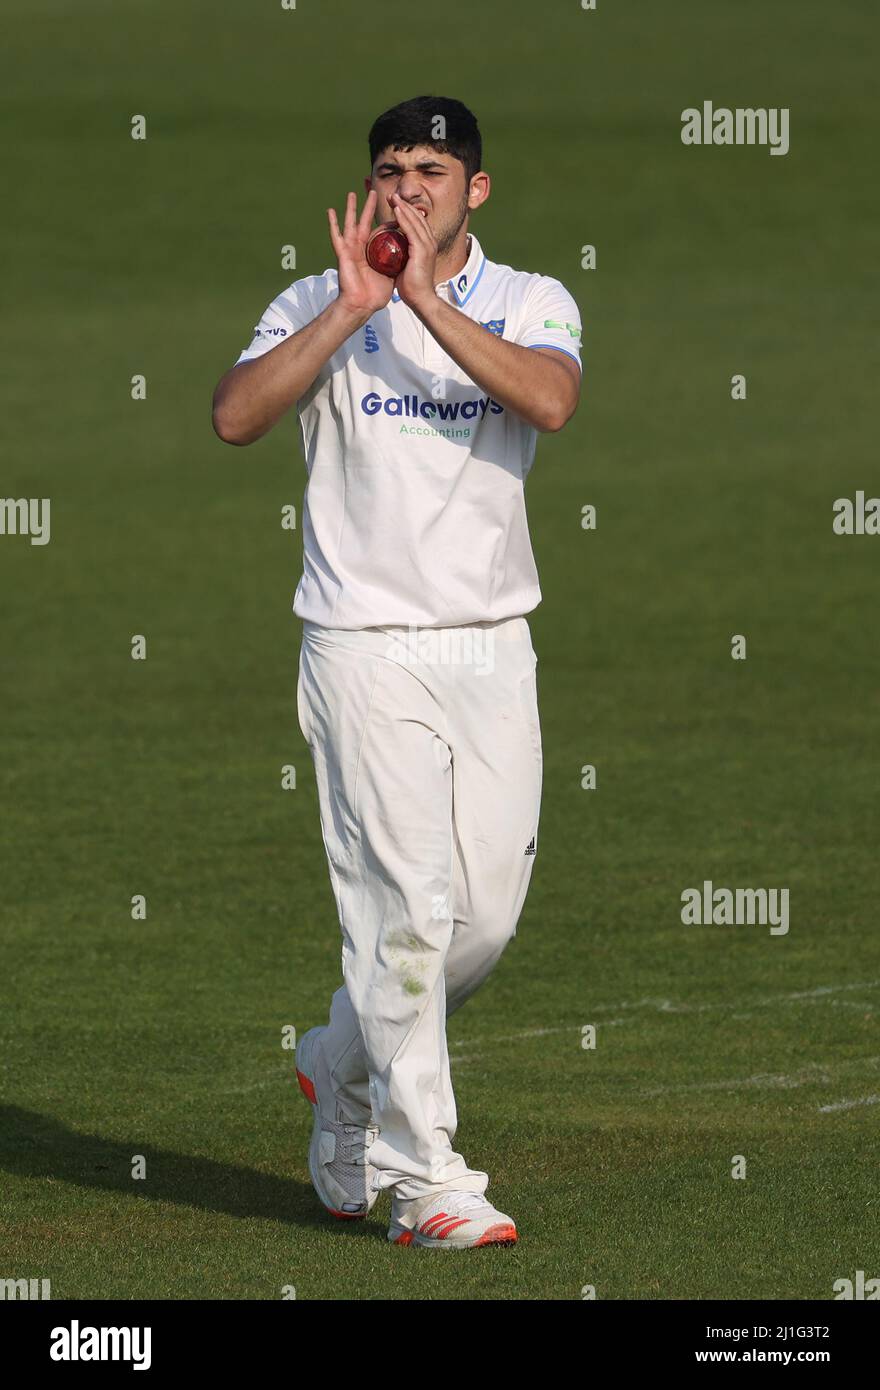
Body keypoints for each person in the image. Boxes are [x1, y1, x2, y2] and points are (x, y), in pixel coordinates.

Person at [212, 95, 582, 1249]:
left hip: (490, 647)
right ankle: (430, 1183)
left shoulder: (530, 300)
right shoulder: (315, 299)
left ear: (474, 190)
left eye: (430, 168)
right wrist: (355, 309)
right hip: (361, 646)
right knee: (408, 919)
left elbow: (551, 400)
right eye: (388, 168)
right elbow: (235, 416)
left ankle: (338, 1062)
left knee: (478, 921)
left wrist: (423, 298)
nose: (405, 186)